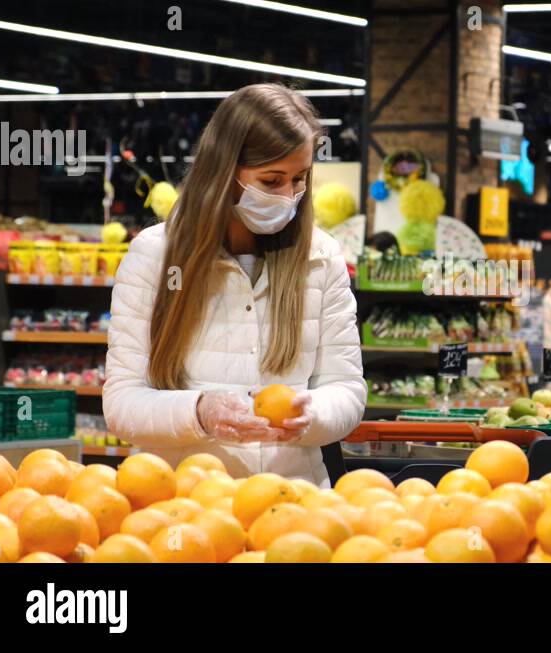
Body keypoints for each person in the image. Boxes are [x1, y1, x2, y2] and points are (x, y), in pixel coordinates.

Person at [103, 84, 366, 486]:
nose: (289, 196)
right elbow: (122, 402)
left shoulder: (321, 258)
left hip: (293, 509)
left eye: (299, 179)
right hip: (179, 508)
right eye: (271, 180)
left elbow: (346, 388)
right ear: (224, 171)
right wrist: (199, 411)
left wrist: (312, 414)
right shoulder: (153, 258)